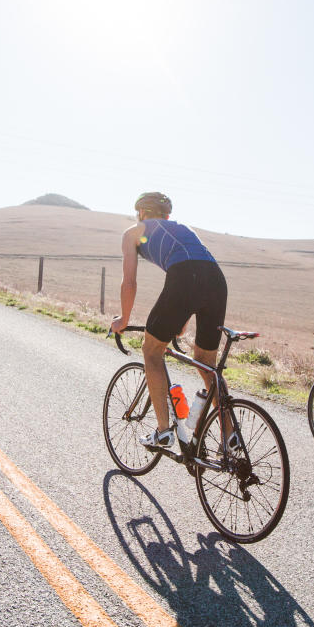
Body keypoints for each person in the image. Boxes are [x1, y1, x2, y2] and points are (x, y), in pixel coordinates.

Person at [110, 192, 228, 449]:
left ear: (141, 213)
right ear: (166, 215)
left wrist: (124, 319)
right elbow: (197, 272)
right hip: (217, 281)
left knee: (151, 351)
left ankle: (163, 431)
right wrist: (179, 322)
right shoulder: (183, 229)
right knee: (207, 364)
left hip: (185, 277)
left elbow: (129, 282)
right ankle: (229, 436)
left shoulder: (132, 232)